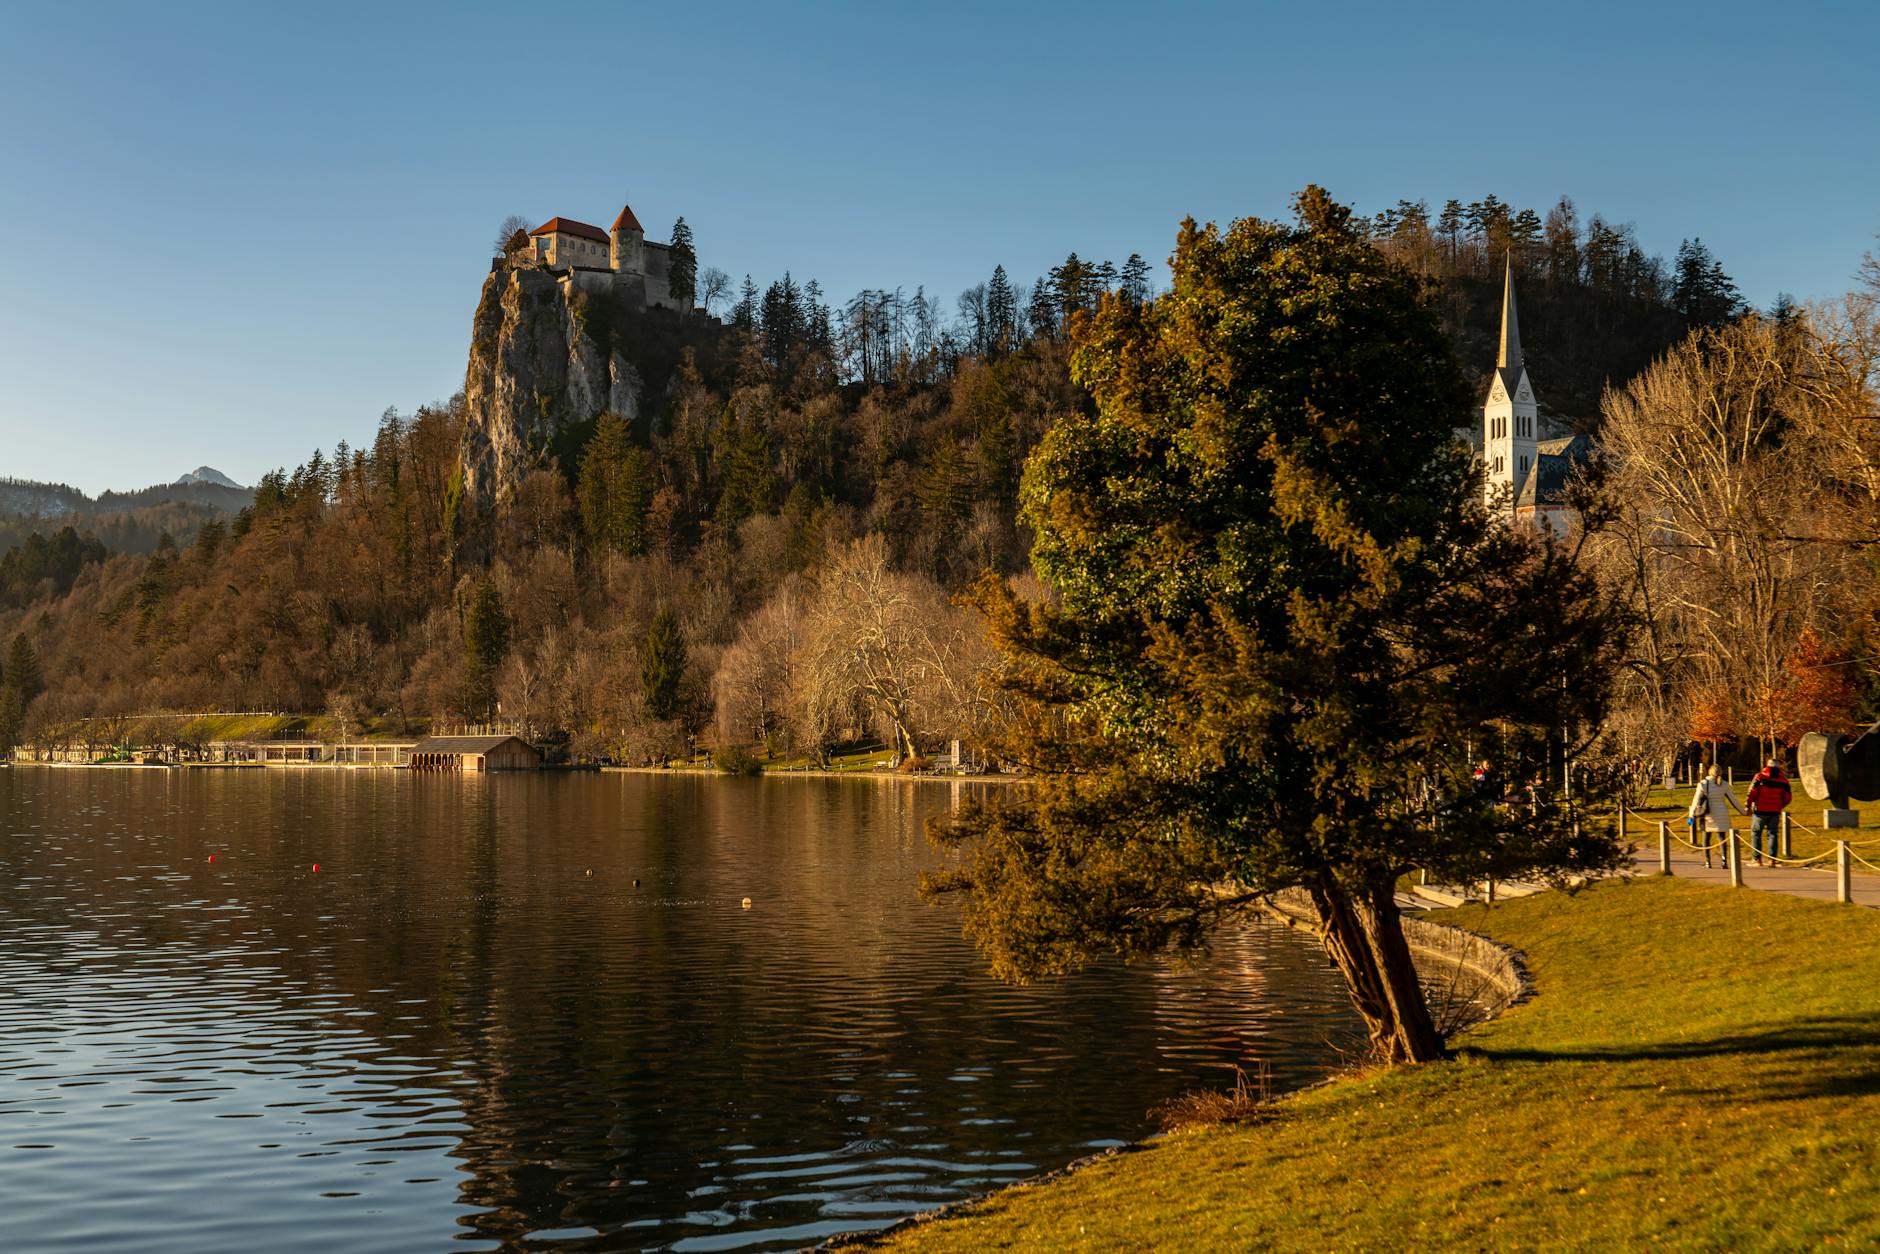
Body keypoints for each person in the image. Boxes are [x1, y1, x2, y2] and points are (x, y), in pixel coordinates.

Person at [1688, 764, 1743, 870]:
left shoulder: (1703, 784)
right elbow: (1734, 801)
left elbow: (1696, 801)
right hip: (1722, 813)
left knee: (1706, 839)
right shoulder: (1724, 784)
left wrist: (1691, 815)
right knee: (1721, 838)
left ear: (1709, 772)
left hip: (1708, 814)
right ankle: (1724, 861)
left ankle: (1708, 861)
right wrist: (1743, 812)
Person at [1746, 757, 1793, 867]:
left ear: (1767, 766)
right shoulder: (1783, 780)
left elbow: (1752, 792)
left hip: (1760, 811)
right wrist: (1780, 806)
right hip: (1775, 811)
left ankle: (1757, 859)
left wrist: (1747, 805)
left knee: (1756, 834)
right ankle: (1772, 860)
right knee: (1772, 835)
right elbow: (1788, 797)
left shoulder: (1759, 777)